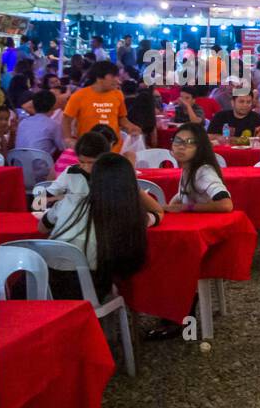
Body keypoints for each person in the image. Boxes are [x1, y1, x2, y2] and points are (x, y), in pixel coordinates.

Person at [39, 151, 153, 299]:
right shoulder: (128, 215)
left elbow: (41, 228)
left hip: (40, 284)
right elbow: (156, 212)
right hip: (86, 291)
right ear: (131, 184)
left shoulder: (70, 201)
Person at [61, 61, 141, 153]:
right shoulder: (78, 96)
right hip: (88, 149)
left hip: (114, 148)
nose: (117, 80)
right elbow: (66, 119)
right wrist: (68, 138)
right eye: (113, 76)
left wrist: (130, 126)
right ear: (99, 78)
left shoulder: (118, 94)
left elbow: (121, 118)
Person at [165, 123, 234, 214]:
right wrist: (170, 208)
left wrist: (186, 207)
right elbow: (182, 195)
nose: (181, 147)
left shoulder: (204, 171)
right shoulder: (188, 167)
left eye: (190, 142)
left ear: (200, 147)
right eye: (178, 141)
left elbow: (226, 205)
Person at [13, 89, 66, 164]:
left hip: (18, 168)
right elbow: (63, 147)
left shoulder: (23, 122)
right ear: (53, 105)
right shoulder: (53, 125)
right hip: (42, 171)